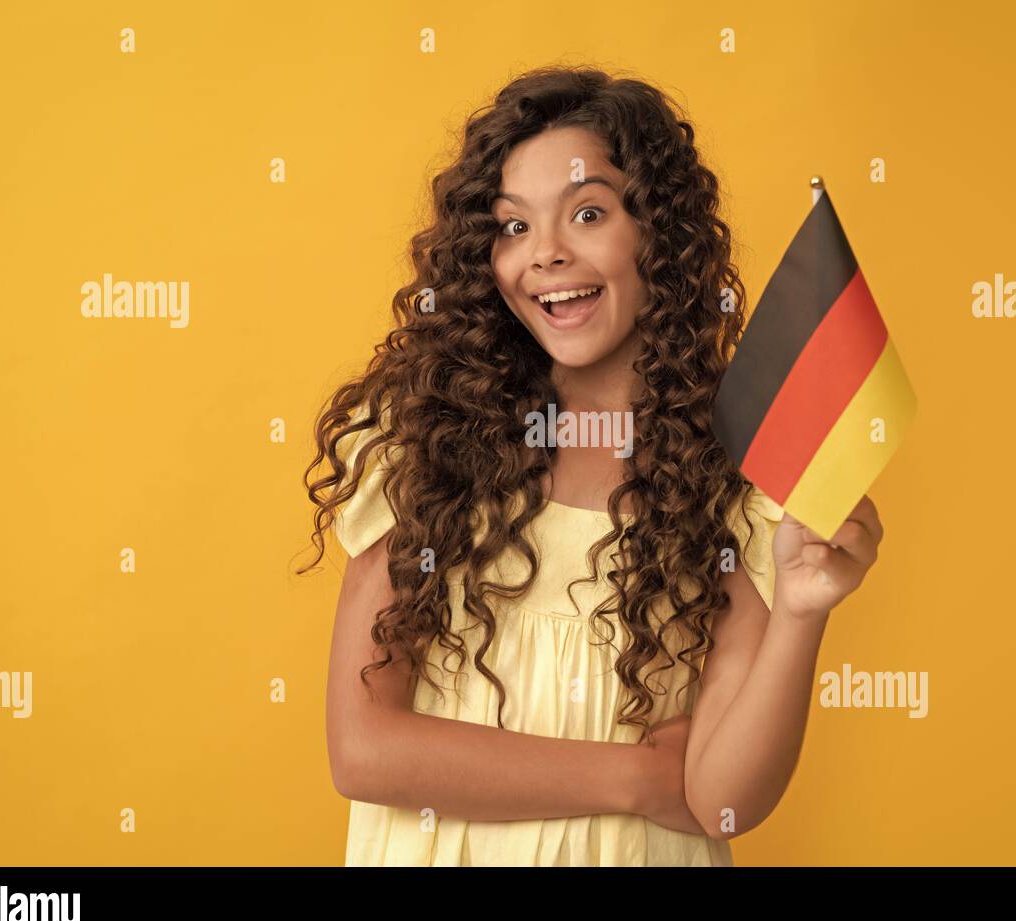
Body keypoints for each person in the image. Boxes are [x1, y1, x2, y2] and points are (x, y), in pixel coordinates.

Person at [300, 66, 884, 866]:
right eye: (512, 227)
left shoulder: (737, 470)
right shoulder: (424, 441)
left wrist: (804, 610)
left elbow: (722, 798)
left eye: (587, 213)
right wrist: (637, 780)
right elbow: (363, 750)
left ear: (657, 234)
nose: (545, 253)